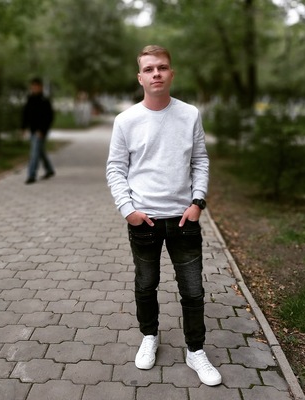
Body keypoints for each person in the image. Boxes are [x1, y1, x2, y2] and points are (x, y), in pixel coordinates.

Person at [106, 45, 222, 386]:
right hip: (145, 221)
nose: (156, 73)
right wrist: (128, 211)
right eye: (149, 69)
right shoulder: (125, 121)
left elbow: (200, 160)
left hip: (184, 220)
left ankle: (195, 350)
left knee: (193, 290)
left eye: (162, 67)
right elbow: (115, 169)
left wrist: (198, 202)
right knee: (146, 285)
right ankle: (150, 336)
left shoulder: (190, 114)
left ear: (171, 73)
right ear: (140, 77)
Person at [22, 77, 55, 184]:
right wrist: (23, 127)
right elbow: (25, 114)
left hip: (41, 131)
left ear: (41, 87)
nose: (34, 89)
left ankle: (31, 175)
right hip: (32, 129)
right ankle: (49, 170)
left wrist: (42, 130)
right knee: (40, 151)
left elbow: (49, 117)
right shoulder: (30, 99)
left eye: (36, 87)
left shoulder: (45, 101)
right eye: (33, 87)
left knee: (34, 153)